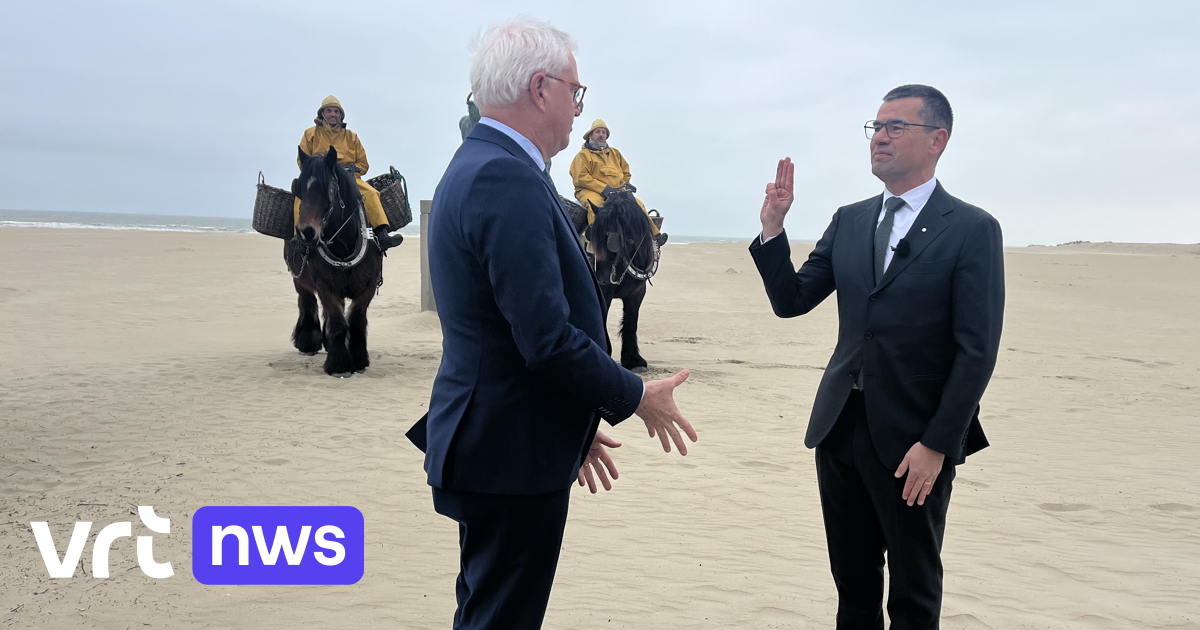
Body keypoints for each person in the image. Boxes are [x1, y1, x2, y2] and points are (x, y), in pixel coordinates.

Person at [405, 19, 697, 630]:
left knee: (486, 610)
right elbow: (544, 338)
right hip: (507, 451)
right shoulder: (503, 175)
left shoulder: (487, 162)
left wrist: (572, 422)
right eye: (575, 91)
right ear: (540, 88)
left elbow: (504, 329)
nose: (577, 105)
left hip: (507, 436)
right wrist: (635, 394)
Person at [749, 85, 1004, 629]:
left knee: (913, 595)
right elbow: (790, 302)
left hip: (914, 441)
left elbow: (976, 351)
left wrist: (937, 444)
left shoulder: (972, 229)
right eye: (876, 126)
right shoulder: (851, 219)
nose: (880, 137)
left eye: (895, 127)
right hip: (840, 431)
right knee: (854, 590)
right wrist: (773, 229)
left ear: (938, 140)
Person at [295, 95, 404, 250]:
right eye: (329, 111)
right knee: (301, 198)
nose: (333, 114)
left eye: (336, 111)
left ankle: (382, 235)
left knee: (372, 193)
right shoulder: (310, 134)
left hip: (348, 179)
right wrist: (318, 173)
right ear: (322, 114)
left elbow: (363, 164)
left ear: (341, 115)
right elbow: (302, 161)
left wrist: (350, 171)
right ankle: (298, 238)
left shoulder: (351, 137)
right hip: (320, 180)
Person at [569, 118, 666, 244]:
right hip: (589, 190)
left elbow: (626, 172)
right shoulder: (583, 155)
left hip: (616, 192)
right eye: (598, 132)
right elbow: (581, 178)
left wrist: (623, 187)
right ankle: (595, 234)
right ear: (591, 135)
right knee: (597, 206)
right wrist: (603, 189)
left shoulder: (615, 153)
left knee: (638, 205)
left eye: (604, 132)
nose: (601, 135)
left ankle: (655, 236)